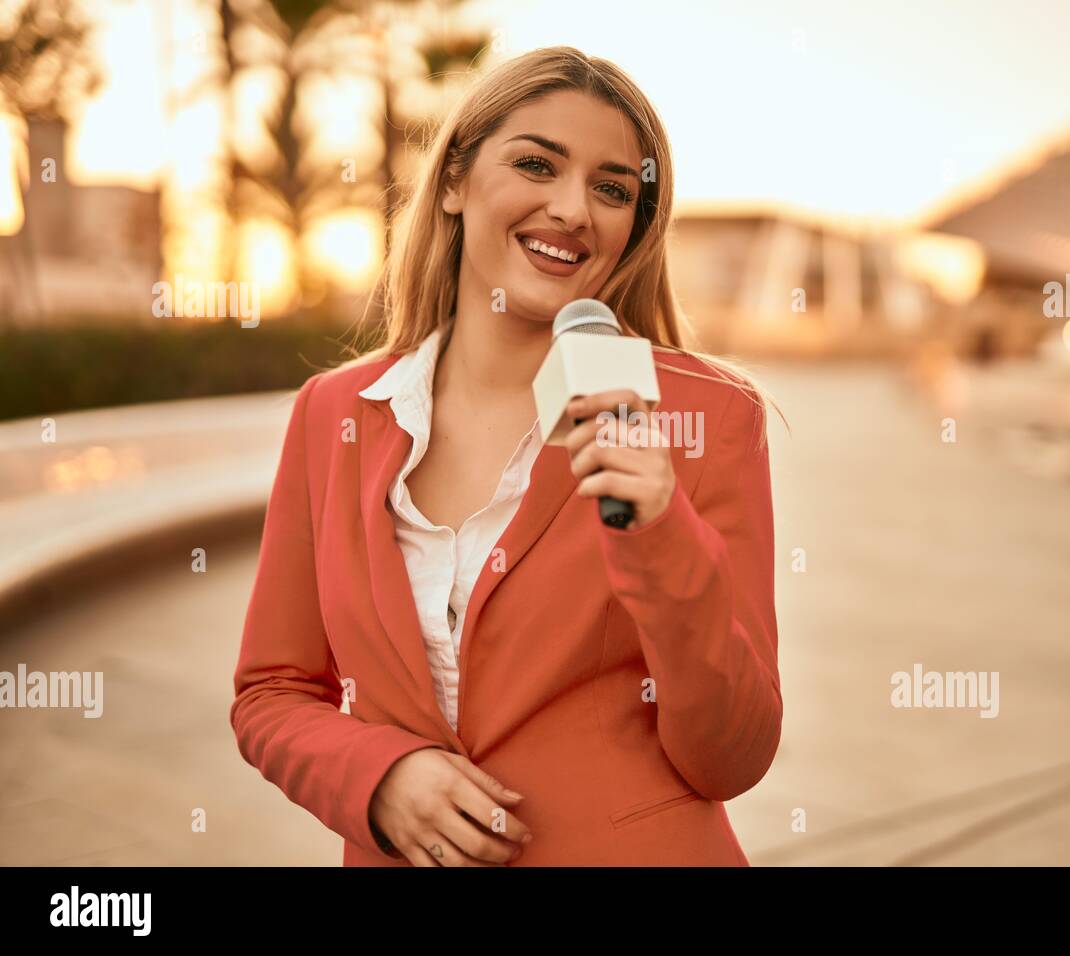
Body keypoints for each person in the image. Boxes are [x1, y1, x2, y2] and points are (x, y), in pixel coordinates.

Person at [230, 45, 784, 866]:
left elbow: (731, 756)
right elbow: (271, 692)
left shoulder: (706, 415)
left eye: (611, 189)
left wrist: (662, 536)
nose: (572, 210)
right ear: (453, 180)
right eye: (536, 164)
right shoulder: (333, 414)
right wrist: (376, 777)